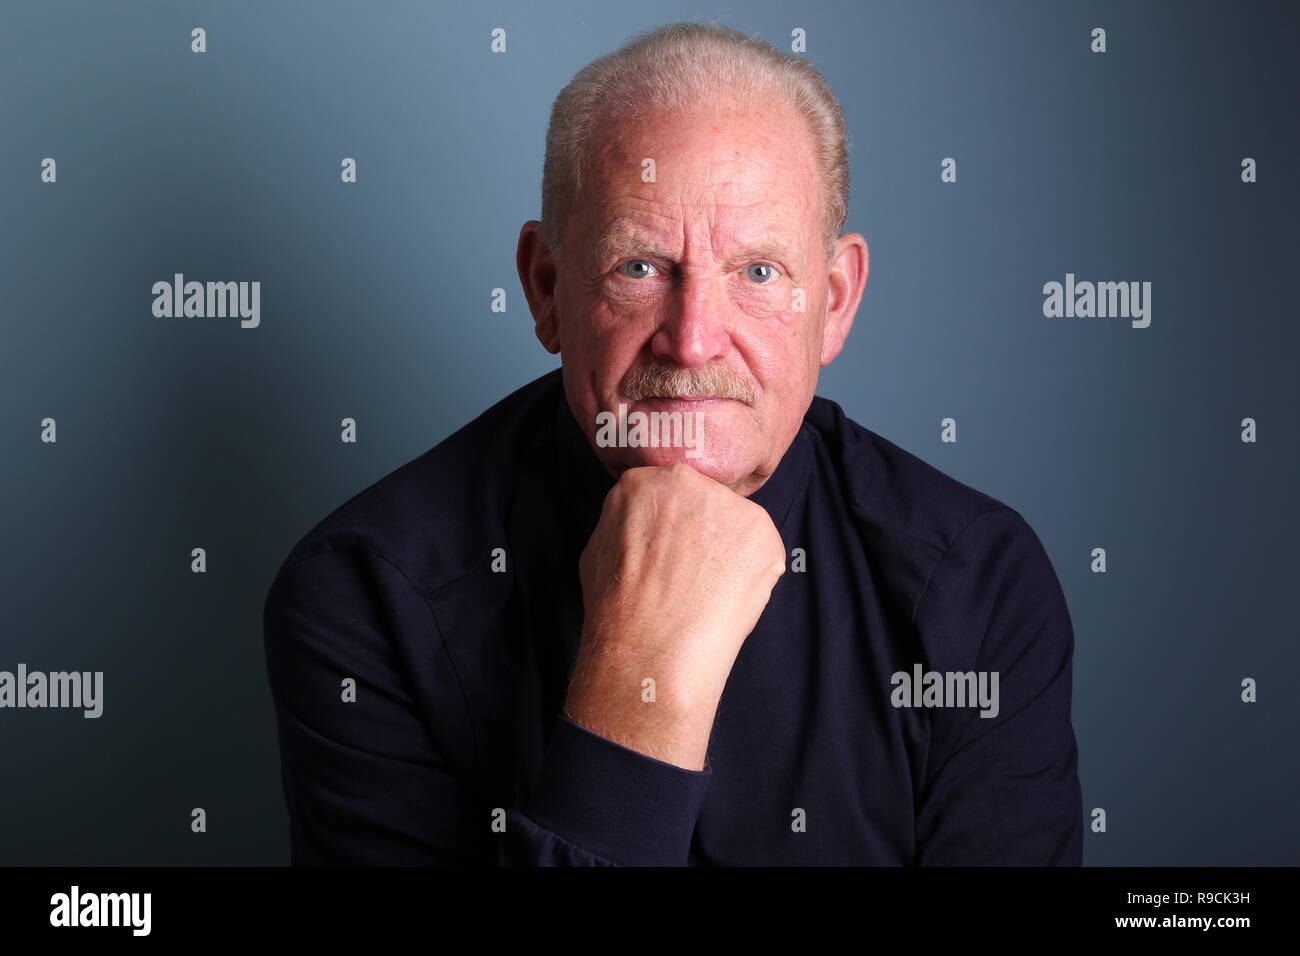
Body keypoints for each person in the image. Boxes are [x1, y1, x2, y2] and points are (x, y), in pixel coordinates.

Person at [262, 21, 1082, 866]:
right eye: (640, 267)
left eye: (759, 273)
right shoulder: (366, 596)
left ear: (833, 302)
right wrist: (640, 682)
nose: (692, 342)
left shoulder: (976, 586)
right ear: (547, 288)